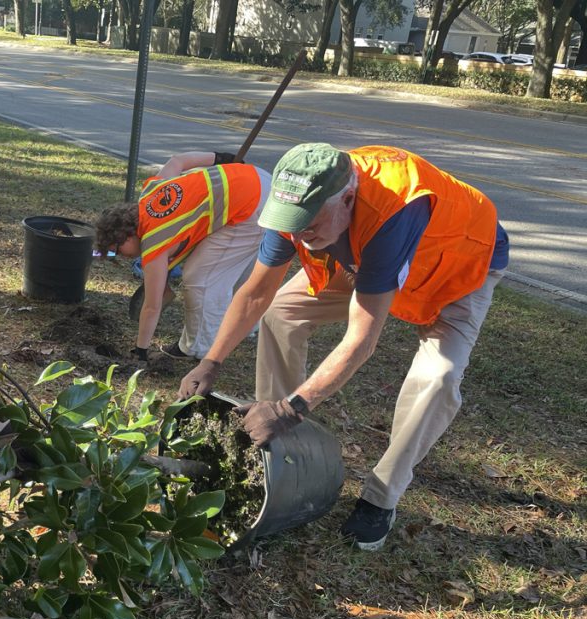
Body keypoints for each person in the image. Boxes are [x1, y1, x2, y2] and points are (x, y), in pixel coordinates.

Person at [179, 143, 509, 551]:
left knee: (437, 378)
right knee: (282, 312)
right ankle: (278, 451)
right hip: (363, 256)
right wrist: (211, 361)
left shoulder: (395, 209)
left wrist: (289, 409)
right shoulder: (298, 200)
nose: (299, 235)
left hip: (457, 267)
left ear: (348, 198)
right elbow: (255, 293)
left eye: (308, 225)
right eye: (292, 224)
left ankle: (380, 498)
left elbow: (361, 339)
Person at [95, 151, 269, 363]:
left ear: (127, 236)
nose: (123, 256)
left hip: (251, 207)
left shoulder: (153, 243)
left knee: (200, 278)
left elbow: (152, 305)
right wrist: (219, 158)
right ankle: (247, 323)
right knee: (234, 267)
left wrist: (140, 349)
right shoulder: (151, 193)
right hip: (256, 178)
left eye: (119, 250)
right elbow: (178, 161)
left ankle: (198, 348)